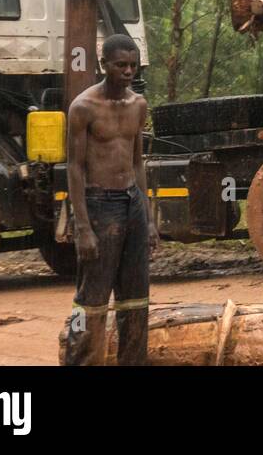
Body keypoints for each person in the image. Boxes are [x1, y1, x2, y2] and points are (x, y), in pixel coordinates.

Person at [61, 33, 157, 365]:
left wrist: (148, 217)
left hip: (131, 204)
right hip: (100, 205)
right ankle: (79, 360)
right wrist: (83, 225)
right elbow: (74, 167)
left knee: (135, 299)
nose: (128, 71)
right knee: (91, 298)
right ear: (104, 65)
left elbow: (136, 162)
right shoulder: (83, 107)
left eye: (133, 65)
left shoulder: (138, 105)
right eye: (121, 65)